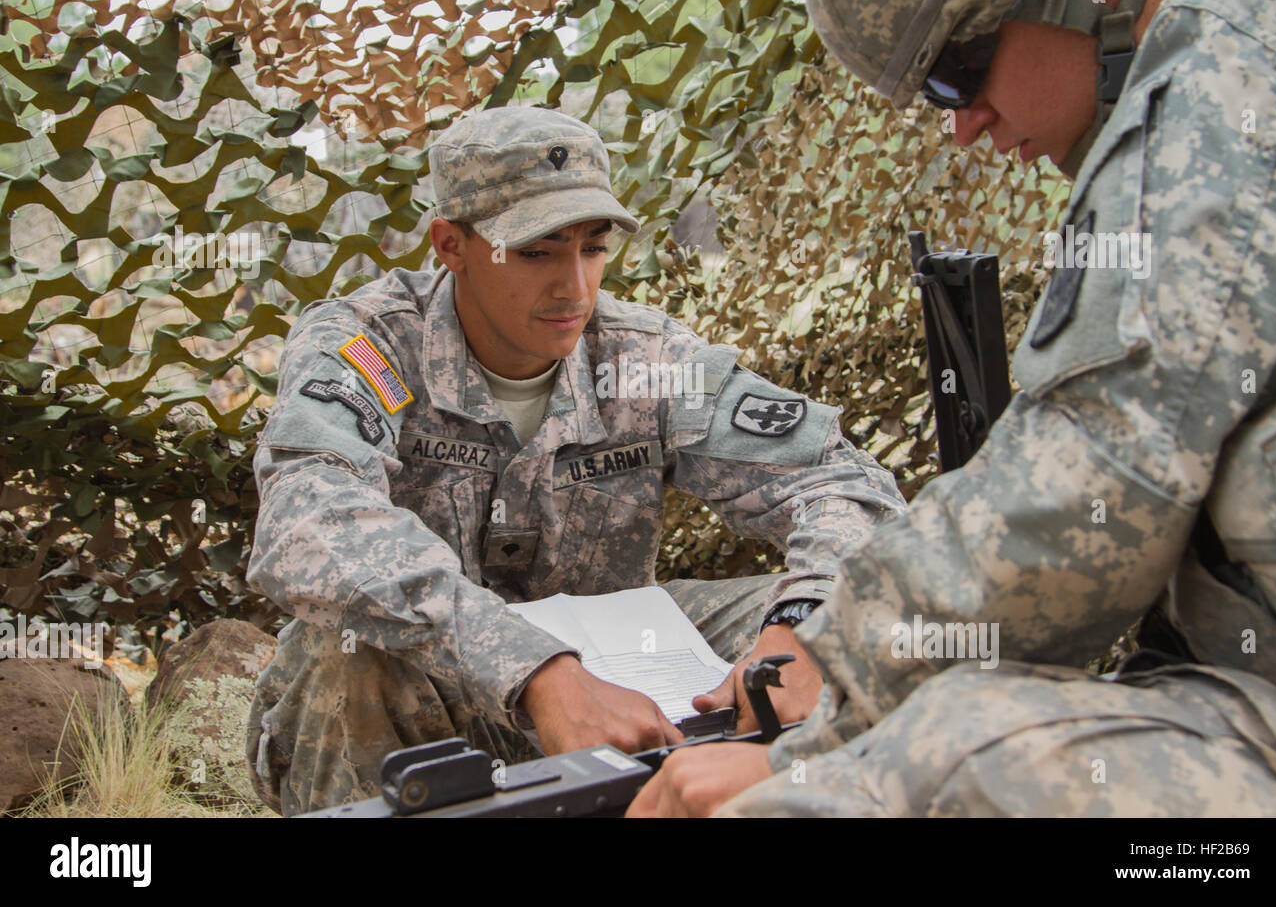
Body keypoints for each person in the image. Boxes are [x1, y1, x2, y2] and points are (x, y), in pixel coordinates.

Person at [627, 0, 1276, 817]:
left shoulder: (1236, 54)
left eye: (957, 72)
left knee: (929, 773)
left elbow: (1083, 497)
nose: (965, 126)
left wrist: (831, 705)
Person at [243, 106, 907, 816]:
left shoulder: (643, 358)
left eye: (593, 247)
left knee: (869, 624)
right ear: (450, 245)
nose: (575, 287)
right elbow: (307, 519)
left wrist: (805, 627)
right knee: (341, 655)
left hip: (625, 680)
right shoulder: (371, 344)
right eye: (536, 252)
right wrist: (532, 668)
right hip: (442, 691)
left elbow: (843, 481)